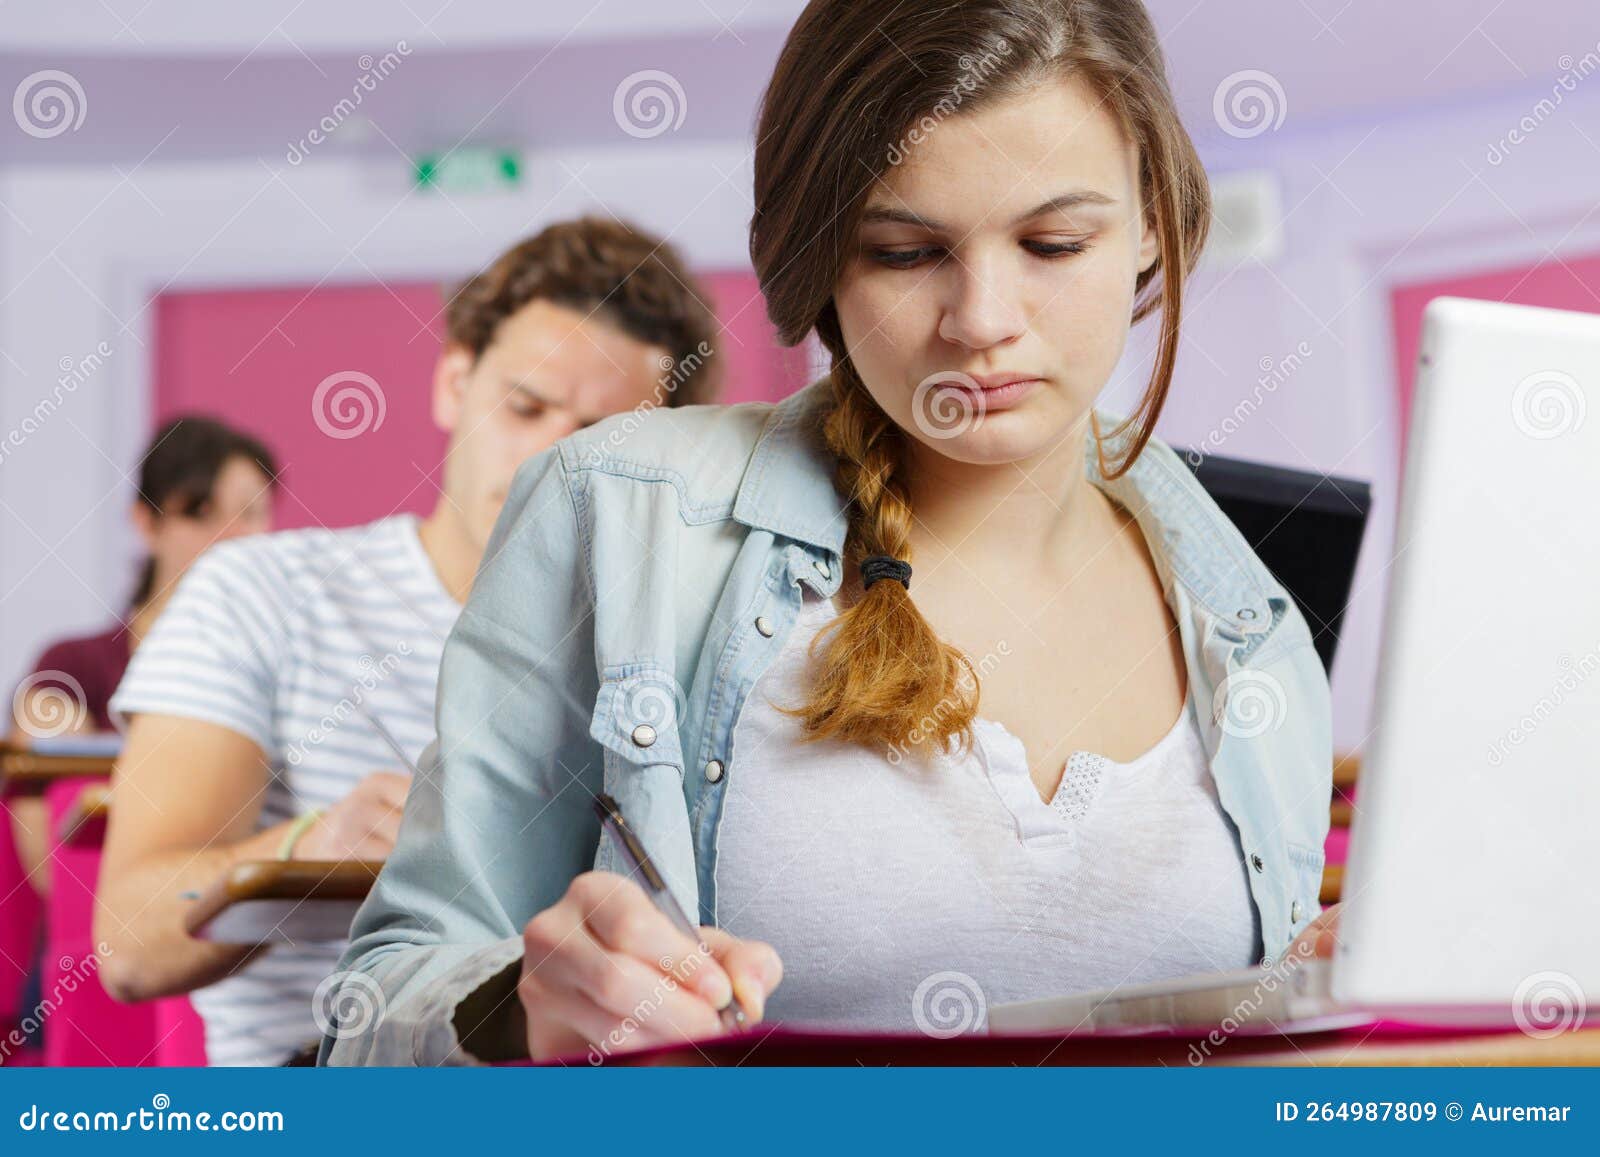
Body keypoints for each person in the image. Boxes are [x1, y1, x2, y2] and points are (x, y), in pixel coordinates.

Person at [322, 0, 1337, 1067]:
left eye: (1053, 241)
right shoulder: (617, 509)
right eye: (903, 252)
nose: (981, 319)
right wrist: (515, 1012)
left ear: (1152, 221)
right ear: (817, 260)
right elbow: (375, 1008)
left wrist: (1330, 991)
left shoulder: (1246, 613)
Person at [96, 217, 721, 1066]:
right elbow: (131, 945)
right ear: (454, 381)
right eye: (526, 407)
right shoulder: (262, 593)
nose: (548, 460)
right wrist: (304, 850)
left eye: (596, 438)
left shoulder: (675, 648)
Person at [4, 415, 277, 1051]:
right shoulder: (74, 668)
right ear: (146, 523)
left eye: (253, 513)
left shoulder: (287, 678)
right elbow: (54, 861)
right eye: (202, 512)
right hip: (97, 963)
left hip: (252, 953)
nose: (232, 536)